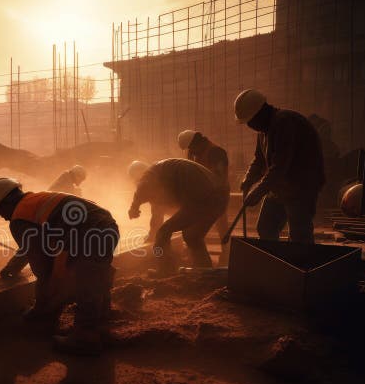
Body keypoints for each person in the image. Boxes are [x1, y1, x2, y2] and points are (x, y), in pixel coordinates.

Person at [0, 177, 119, 355]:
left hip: (88, 232)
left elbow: (41, 266)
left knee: (84, 278)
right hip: (107, 225)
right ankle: (102, 319)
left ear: (5, 202)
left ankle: (85, 337)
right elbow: (31, 246)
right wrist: (13, 267)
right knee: (95, 272)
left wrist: (42, 306)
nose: (3, 217)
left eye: (0, 212)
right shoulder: (35, 201)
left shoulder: (19, 218)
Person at [235, 89, 325, 243]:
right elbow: (259, 160)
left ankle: (302, 258)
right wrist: (248, 179)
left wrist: (258, 192)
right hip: (280, 186)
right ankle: (272, 257)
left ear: (260, 112)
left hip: (301, 187)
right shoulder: (264, 130)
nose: (249, 125)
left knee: (299, 234)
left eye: (250, 121)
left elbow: (279, 167)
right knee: (266, 227)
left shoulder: (284, 122)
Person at [128, 158, 228, 275]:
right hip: (220, 197)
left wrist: (134, 208)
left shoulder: (149, 176)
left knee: (163, 232)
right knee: (192, 237)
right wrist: (152, 233)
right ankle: (205, 272)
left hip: (201, 197)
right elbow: (157, 212)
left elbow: (142, 191)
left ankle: (164, 269)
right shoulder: (160, 174)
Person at [177, 130, 231, 261]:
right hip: (203, 195)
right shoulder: (197, 152)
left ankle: (227, 254)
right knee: (196, 225)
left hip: (218, 195)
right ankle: (195, 253)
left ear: (196, 142)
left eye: (191, 148)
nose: (191, 151)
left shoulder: (216, 153)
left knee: (221, 225)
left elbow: (219, 177)